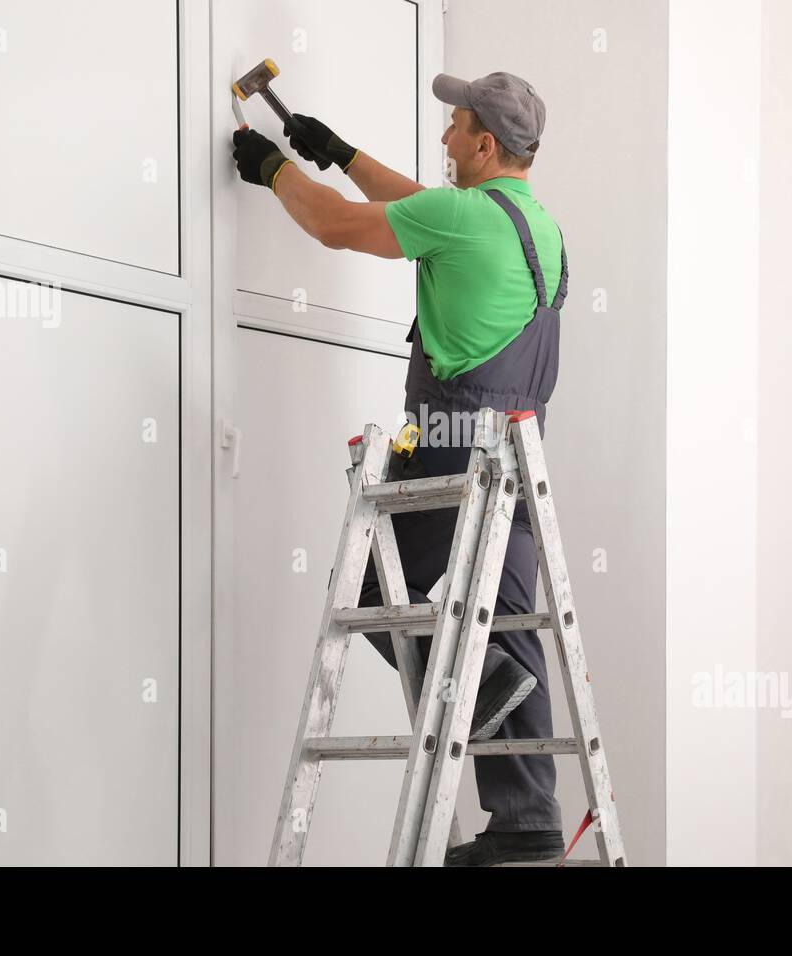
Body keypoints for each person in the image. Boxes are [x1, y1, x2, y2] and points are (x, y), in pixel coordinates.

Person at [232, 71, 568, 866]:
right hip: (520, 457)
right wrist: (342, 152)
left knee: (373, 594)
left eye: (455, 127)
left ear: (486, 143)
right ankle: (528, 820)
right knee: (512, 627)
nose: (446, 139)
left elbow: (339, 228)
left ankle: (482, 689)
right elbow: (425, 205)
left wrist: (274, 168)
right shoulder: (535, 226)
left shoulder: (460, 216)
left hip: (450, 445)